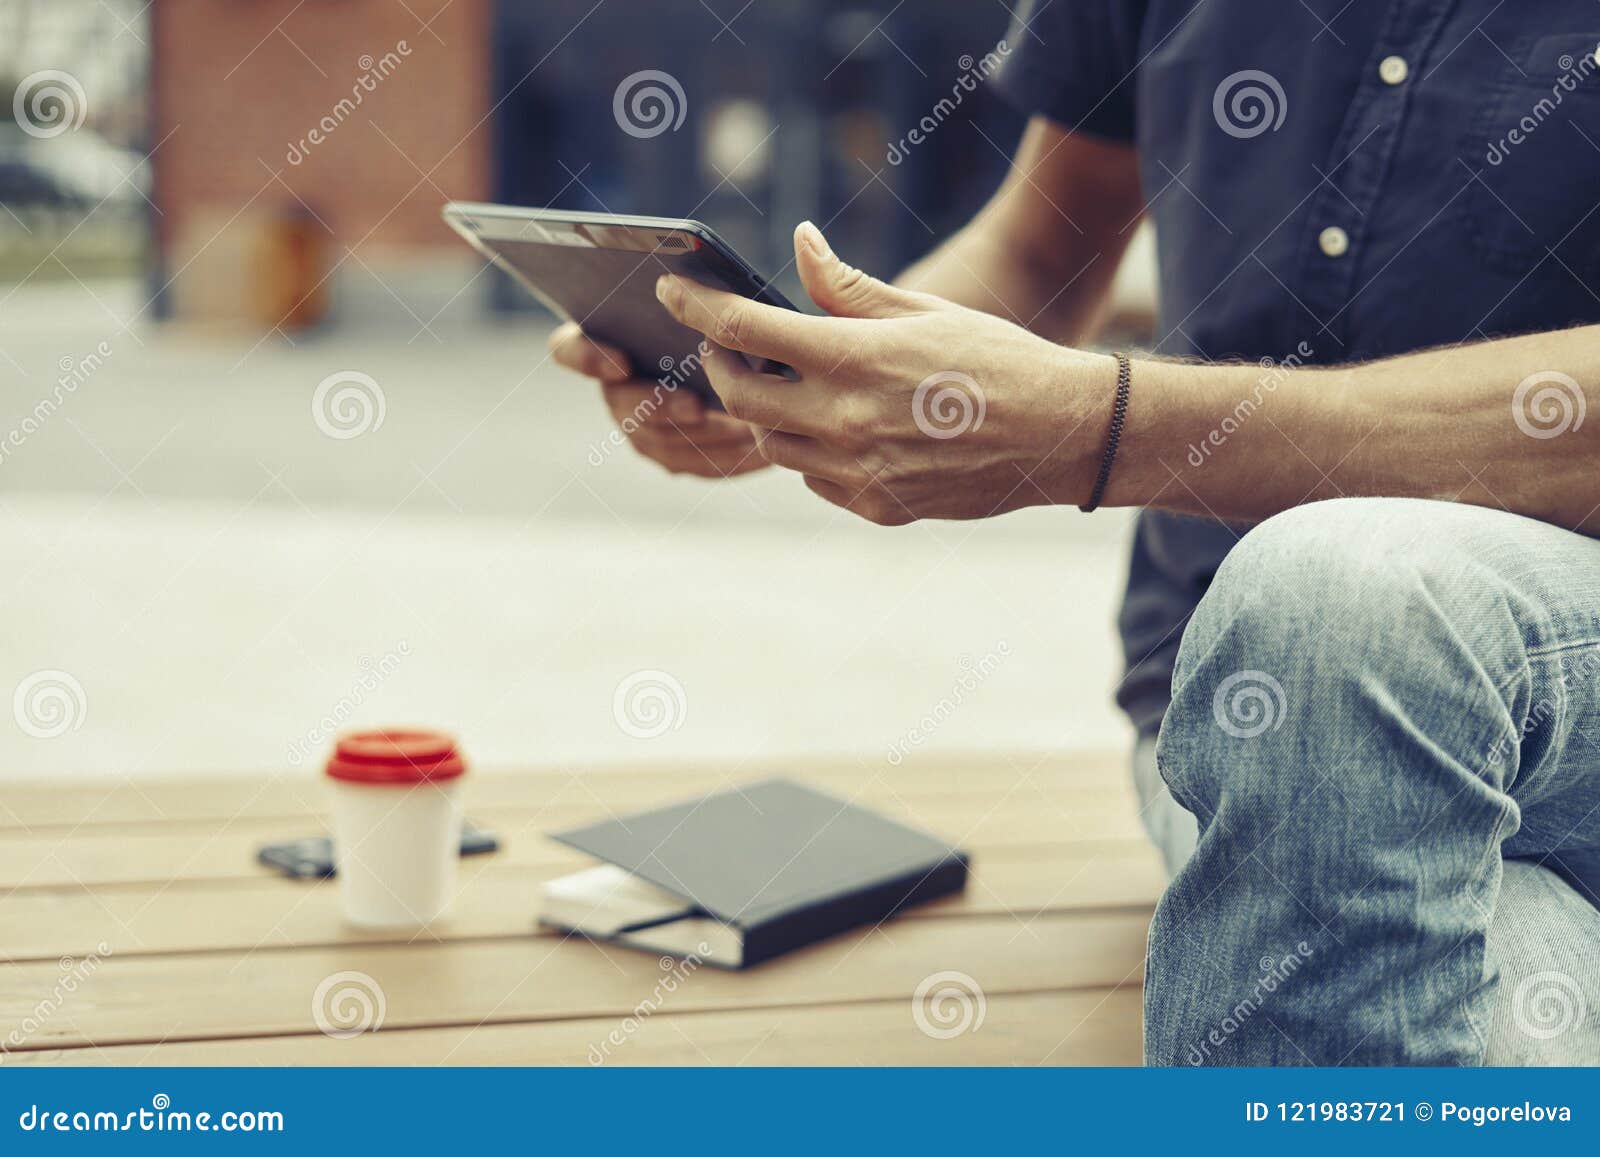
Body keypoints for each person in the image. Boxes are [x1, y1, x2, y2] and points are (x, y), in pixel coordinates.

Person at [551, 1, 1600, 1065]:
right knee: (1506, 979)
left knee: (1349, 602)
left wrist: (1112, 428)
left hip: (1457, 639)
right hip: (1256, 716)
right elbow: (1041, 242)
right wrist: (817, 375)